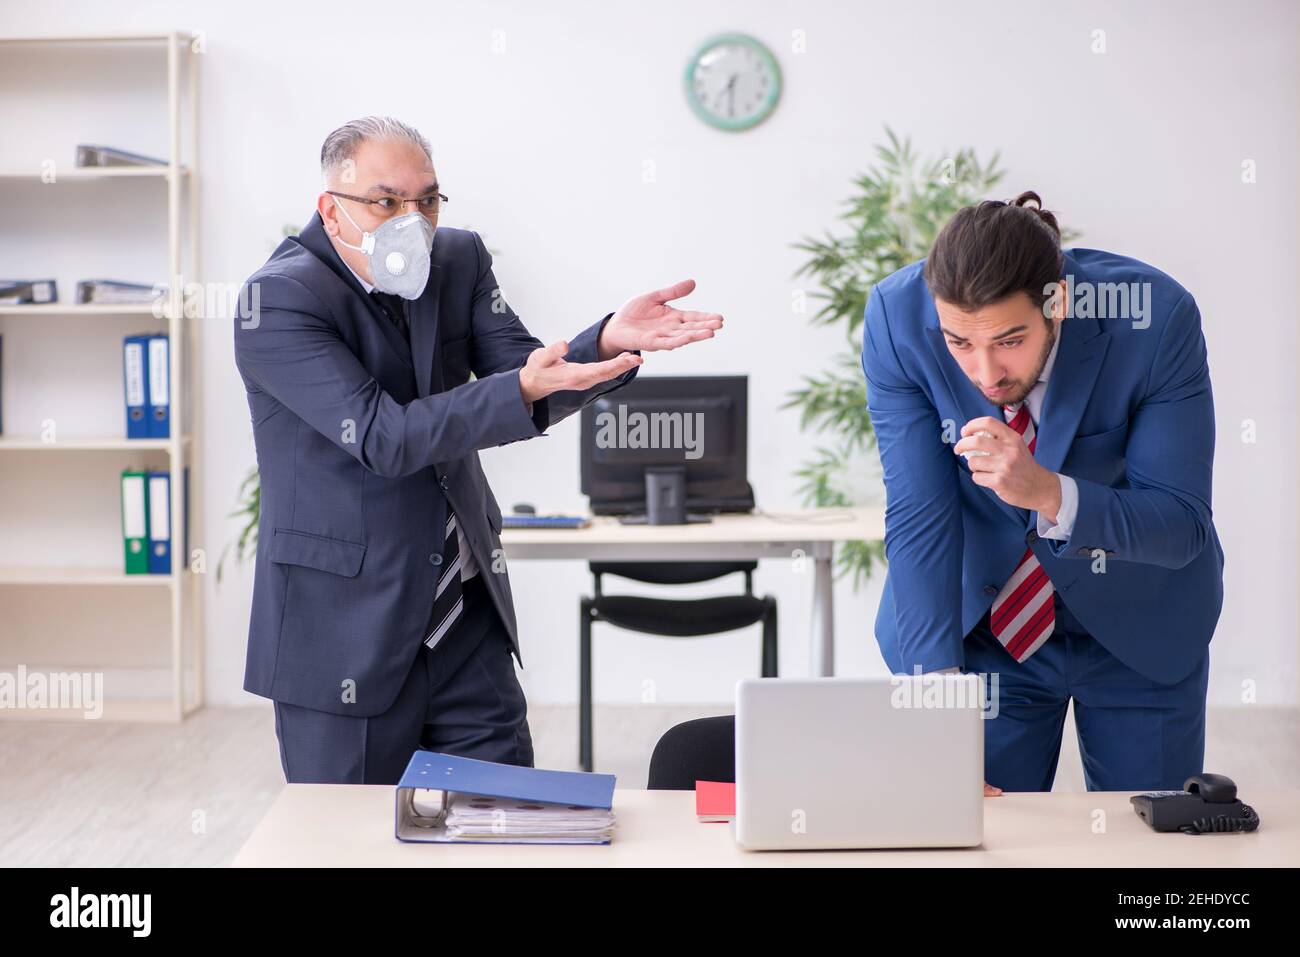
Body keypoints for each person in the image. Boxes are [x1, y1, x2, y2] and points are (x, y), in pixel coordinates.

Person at [233, 116, 723, 784]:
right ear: (333, 208)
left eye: (428, 200)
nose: (414, 219)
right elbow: (382, 436)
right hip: (344, 628)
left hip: (465, 615)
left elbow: (529, 380)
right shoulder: (280, 298)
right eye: (387, 201)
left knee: (504, 826)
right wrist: (520, 386)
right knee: (349, 841)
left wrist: (604, 342)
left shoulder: (458, 261)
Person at [861, 191, 1223, 792]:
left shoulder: (1153, 318)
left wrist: (1050, 493)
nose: (984, 373)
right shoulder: (897, 319)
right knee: (981, 837)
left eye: (1008, 340)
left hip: (1139, 623)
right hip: (983, 632)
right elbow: (920, 514)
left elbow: (1181, 522)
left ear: (1057, 305)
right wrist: (934, 696)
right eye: (959, 343)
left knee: (1149, 852)